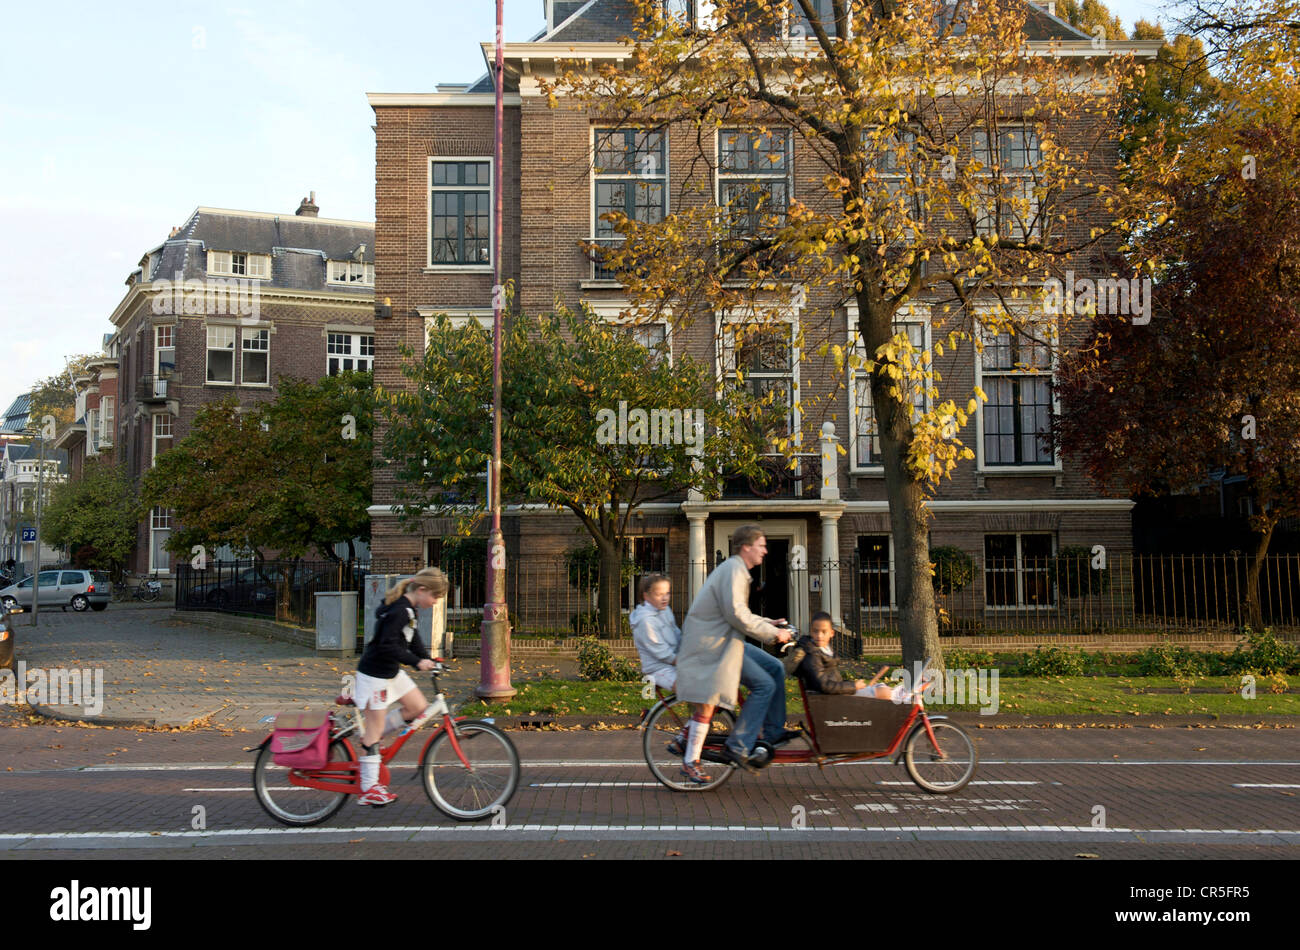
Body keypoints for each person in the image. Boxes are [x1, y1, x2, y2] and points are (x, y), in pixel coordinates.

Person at [674, 524, 799, 782]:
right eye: (761, 546)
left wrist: (768, 623)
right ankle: (738, 745)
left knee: (775, 668)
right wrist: (774, 634)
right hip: (715, 646)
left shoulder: (737, 570)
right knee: (764, 685)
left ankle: (773, 732)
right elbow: (736, 614)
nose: (765, 551)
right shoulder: (733, 570)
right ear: (746, 547)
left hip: (730, 641)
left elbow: (739, 612)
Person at [352, 567, 447, 806]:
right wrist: (417, 662)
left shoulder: (409, 609)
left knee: (418, 707)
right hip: (375, 675)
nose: (436, 603)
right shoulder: (399, 612)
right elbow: (387, 646)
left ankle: (373, 738)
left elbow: (412, 640)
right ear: (422, 590)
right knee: (373, 732)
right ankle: (368, 788)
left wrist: (428, 659)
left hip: (391, 672)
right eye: (435, 597)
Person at [794, 610, 911, 701]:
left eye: (823, 632)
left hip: (835, 695)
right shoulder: (812, 655)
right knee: (883, 693)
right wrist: (853, 686)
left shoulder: (823, 651)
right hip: (832, 699)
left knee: (883, 688)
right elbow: (824, 685)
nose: (819, 635)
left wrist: (851, 685)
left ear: (831, 633)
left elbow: (832, 680)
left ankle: (903, 695)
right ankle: (904, 698)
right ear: (810, 631)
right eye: (815, 631)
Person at [630, 573, 680, 690]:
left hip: (674, 663)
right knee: (689, 688)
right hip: (659, 669)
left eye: (667, 593)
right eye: (659, 594)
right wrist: (682, 660)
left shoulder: (665, 609)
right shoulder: (645, 621)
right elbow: (661, 652)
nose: (665, 598)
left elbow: (676, 634)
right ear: (646, 596)